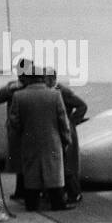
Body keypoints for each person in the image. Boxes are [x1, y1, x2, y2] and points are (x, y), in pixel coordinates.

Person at [7, 65, 73, 212]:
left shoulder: (19, 96)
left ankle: (31, 205)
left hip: (29, 141)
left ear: (28, 78)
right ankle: (58, 204)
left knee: (32, 175)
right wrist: (66, 140)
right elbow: (63, 121)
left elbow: (14, 122)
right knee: (54, 174)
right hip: (52, 142)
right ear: (42, 78)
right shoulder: (55, 95)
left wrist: (21, 136)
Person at [44, 67, 88, 205]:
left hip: (66, 130)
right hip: (60, 130)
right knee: (63, 163)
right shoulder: (53, 92)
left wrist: (71, 121)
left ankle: (75, 193)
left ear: (51, 78)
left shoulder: (62, 91)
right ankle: (68, 193)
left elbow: (82, 106)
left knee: (67, 164)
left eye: (45, 78)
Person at [0, 57, 31, 201]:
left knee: (25, 162)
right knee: (20, 162)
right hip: (19, 129)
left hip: (21, 128)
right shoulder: (13, 86)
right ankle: (21, 190)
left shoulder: (23, 87)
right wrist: (11, 88)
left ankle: (24, 191)